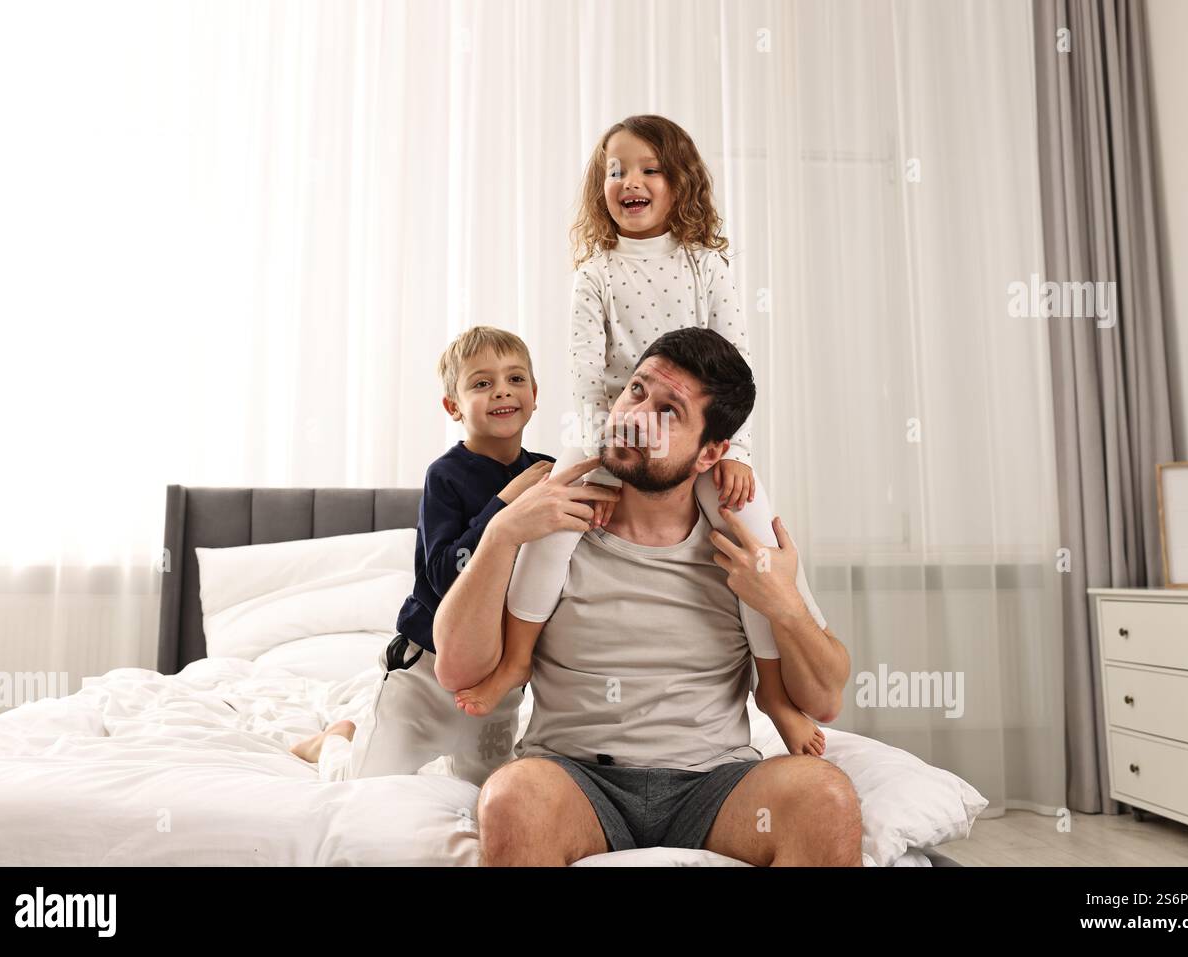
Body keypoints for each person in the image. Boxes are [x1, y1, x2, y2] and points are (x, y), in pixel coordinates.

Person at [457, 115, 826, 758]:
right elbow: (582, 367)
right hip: (607, 430)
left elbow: (734, 359)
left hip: (695, 439)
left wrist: (734, 453)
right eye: (615, 170)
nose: (630, 181)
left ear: (680, 183)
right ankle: (516, 661)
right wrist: (602, 443)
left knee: (756, 547)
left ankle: (774, 695)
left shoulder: (706, 266)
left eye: (649, 168)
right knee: (551, 530)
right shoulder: (595, 273)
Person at [435, 327, 861, 866]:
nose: (637, 417)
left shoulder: (741, 543)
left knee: (826, 795)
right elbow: (458, 669)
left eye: (669, 411)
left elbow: (825, 699)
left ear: (712, 453)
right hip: (576, 780)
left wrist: (785, 605)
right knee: (512, 797)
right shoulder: (554, 525)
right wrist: (499, 534)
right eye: (636, 392)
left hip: (717, 784)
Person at [288, 326, 609, 788]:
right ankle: (336, 739)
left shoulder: (547, 473)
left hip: (497, 681)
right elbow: (444, 574)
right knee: (360, 784)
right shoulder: (445, 476)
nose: (502, 389)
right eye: (481, 383)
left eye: (515, 379)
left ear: (535, 395)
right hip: (423, 673)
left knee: (486, 789)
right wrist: (506, 504)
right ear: (453, 406)